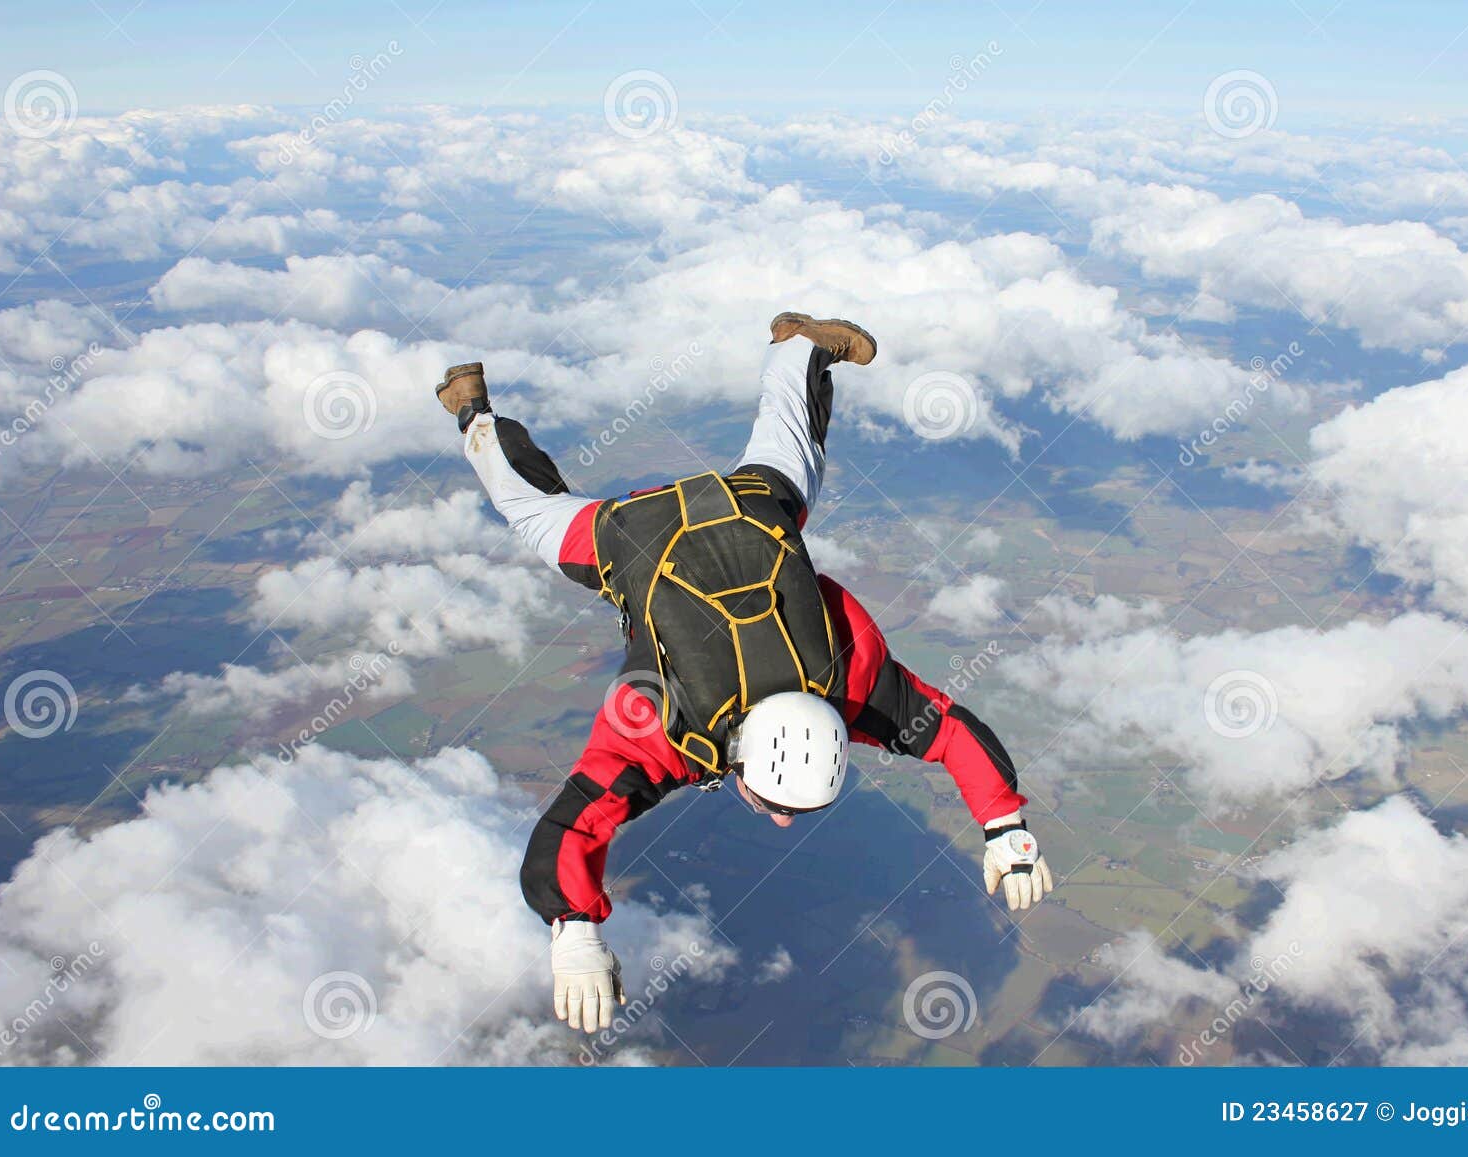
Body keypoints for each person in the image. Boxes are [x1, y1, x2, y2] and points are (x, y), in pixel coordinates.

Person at [439, 312, 1055, 1034]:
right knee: (527, 506)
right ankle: (471, 411)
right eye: (782, 800)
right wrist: (573, 928)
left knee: (790, 435)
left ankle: (800, 348)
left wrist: (1006, 824)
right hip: (631, 536)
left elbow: (952, 731)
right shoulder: (665, 727)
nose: (785, 817)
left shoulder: (854, 685)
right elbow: (571, 823)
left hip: (752, 507)